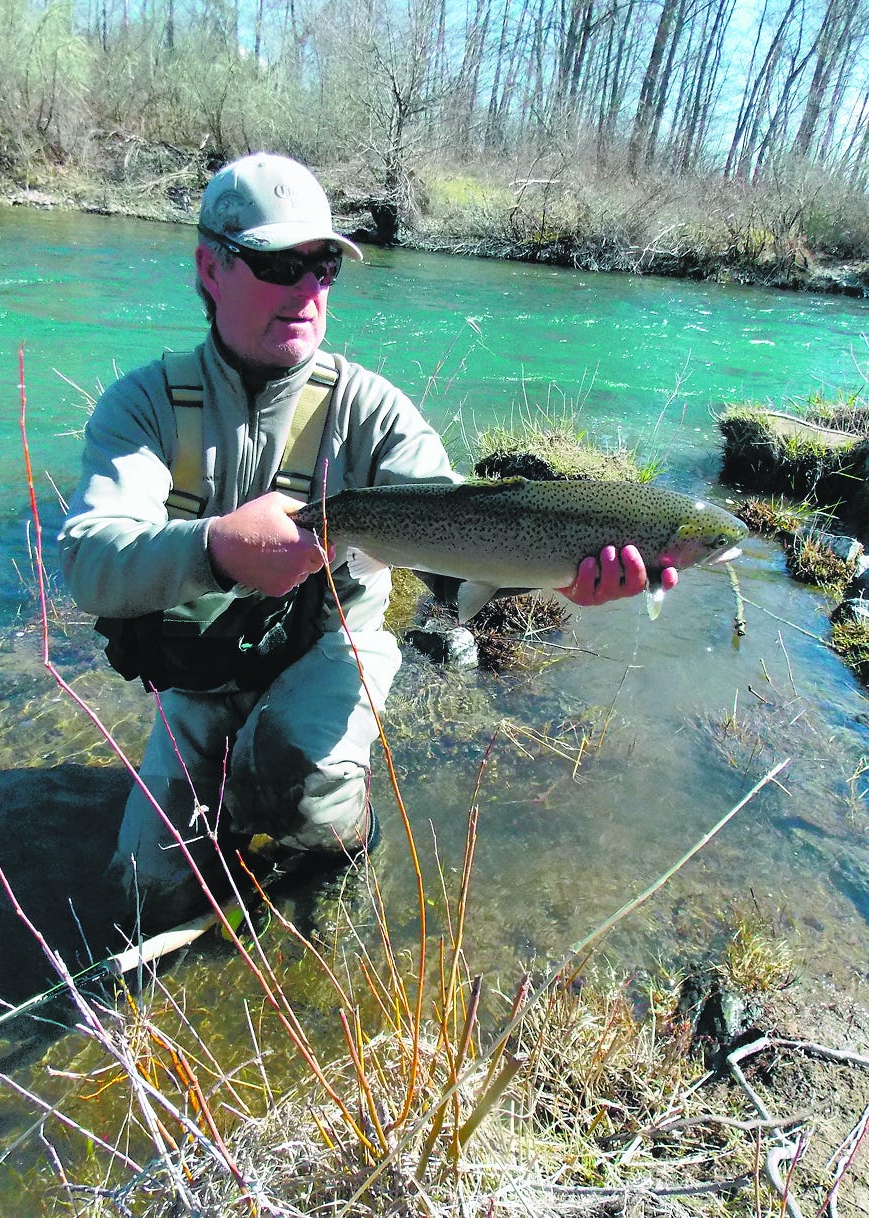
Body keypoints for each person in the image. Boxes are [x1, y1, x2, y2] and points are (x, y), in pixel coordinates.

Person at [58, 152, 677, 931]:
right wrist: (215, 548)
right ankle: (229, 791)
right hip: (199, 678)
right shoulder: (145, 406)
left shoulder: (371, 410)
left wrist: (558, 573)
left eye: (323, 266)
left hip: (328, 650)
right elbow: (89, 562)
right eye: (279, 264)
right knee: (147, 894)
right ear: (211, 268)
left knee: (303, 790)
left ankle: (345, 837)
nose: (308, 289)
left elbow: (464, 532)